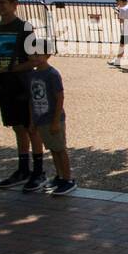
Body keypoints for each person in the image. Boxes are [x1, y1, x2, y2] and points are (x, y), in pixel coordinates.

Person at [0, 0, 46, 191]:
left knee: (31, 127)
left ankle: (38, 171)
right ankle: (23, 168)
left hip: (22, 82)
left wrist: (14, 68)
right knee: (17, 127)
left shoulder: (24, 27)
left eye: (3, 2)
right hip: (4, 83)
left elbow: (34, 60)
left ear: (14, 4)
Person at [25, 48, 76, 195]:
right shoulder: (33, 74)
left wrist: (55, 121)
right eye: (32, 54)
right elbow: (31, 99)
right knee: (53, 149)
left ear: (47, 55)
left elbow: (59, 97)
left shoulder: (52, 74)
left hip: (52, 117)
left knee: (60, 148)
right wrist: (32, 120)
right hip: (40, 117)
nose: (34, 57)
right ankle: (60, 175)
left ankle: (67, 178)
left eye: (38, 54)